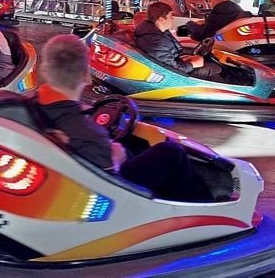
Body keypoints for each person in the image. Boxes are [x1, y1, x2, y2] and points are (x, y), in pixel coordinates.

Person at [33, 35, 210, 201]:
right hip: (105, 195)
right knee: (171, 152)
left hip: (59, 173)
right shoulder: (88, 134)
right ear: (86, 75)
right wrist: (116, 158)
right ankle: (205, 210)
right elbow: (114, 187)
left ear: (44, 70)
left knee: (129, 146)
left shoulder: (30, 106)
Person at [135, 1, 222, 81]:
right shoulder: (155, 41)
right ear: (161, 19)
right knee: (217, 69)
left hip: (176, 65)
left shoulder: (158, 33)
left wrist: (183, 58)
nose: (173, 19)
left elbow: (167, 57)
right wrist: (193, 65)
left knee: (212, 65)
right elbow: (170, 69)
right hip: (173, 76)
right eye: (170, 16)